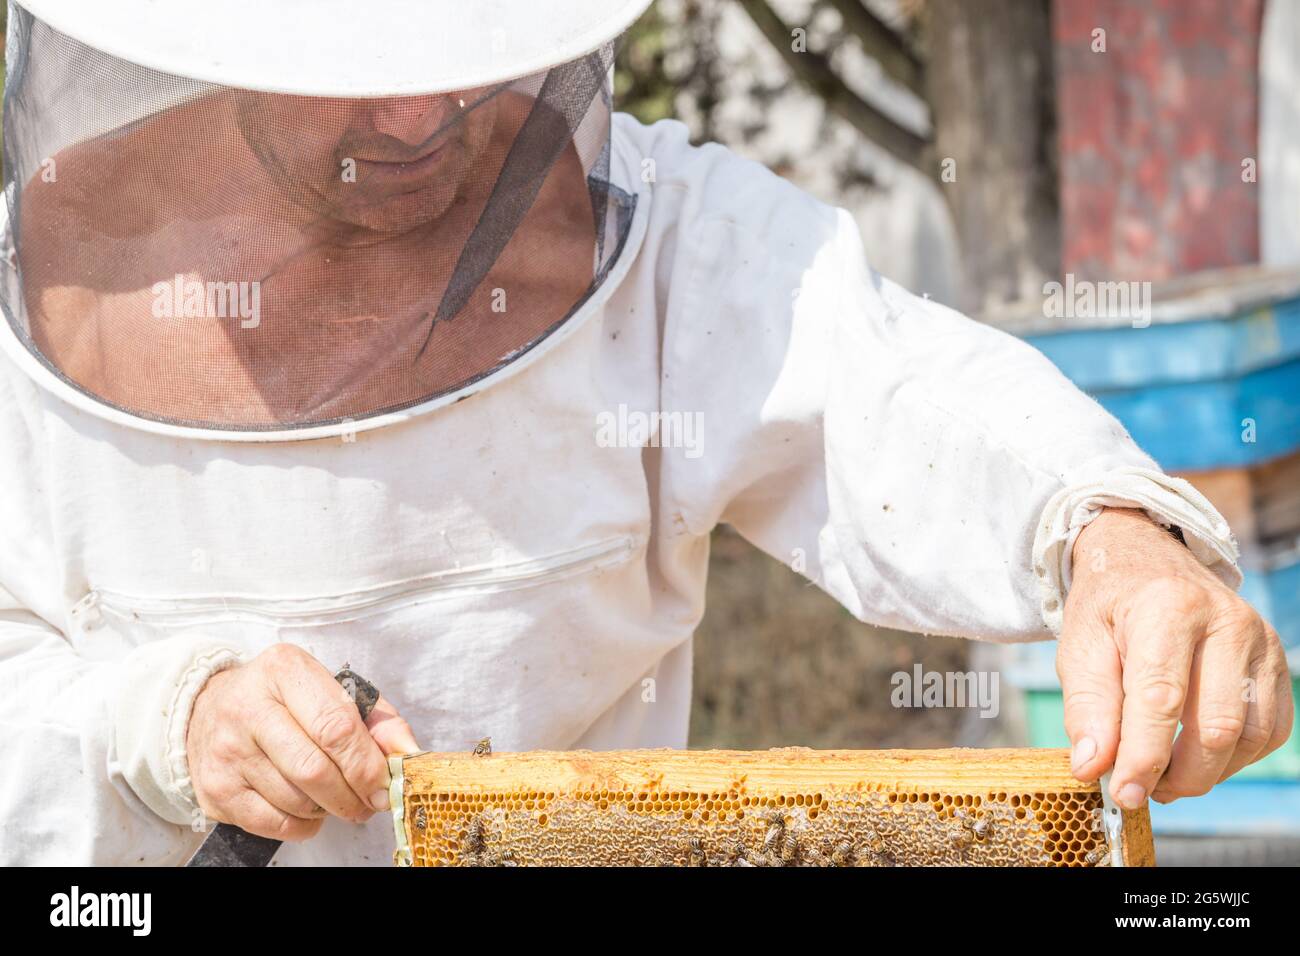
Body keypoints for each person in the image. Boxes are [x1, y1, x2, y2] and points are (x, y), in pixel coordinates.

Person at [0, 0, 1289, 865]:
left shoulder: (665, 241)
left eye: (462, 49)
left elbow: (888, 391)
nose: (417, 117)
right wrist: (159, 721)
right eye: (359, 77)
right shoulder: (37, 312)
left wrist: (1114, 532)